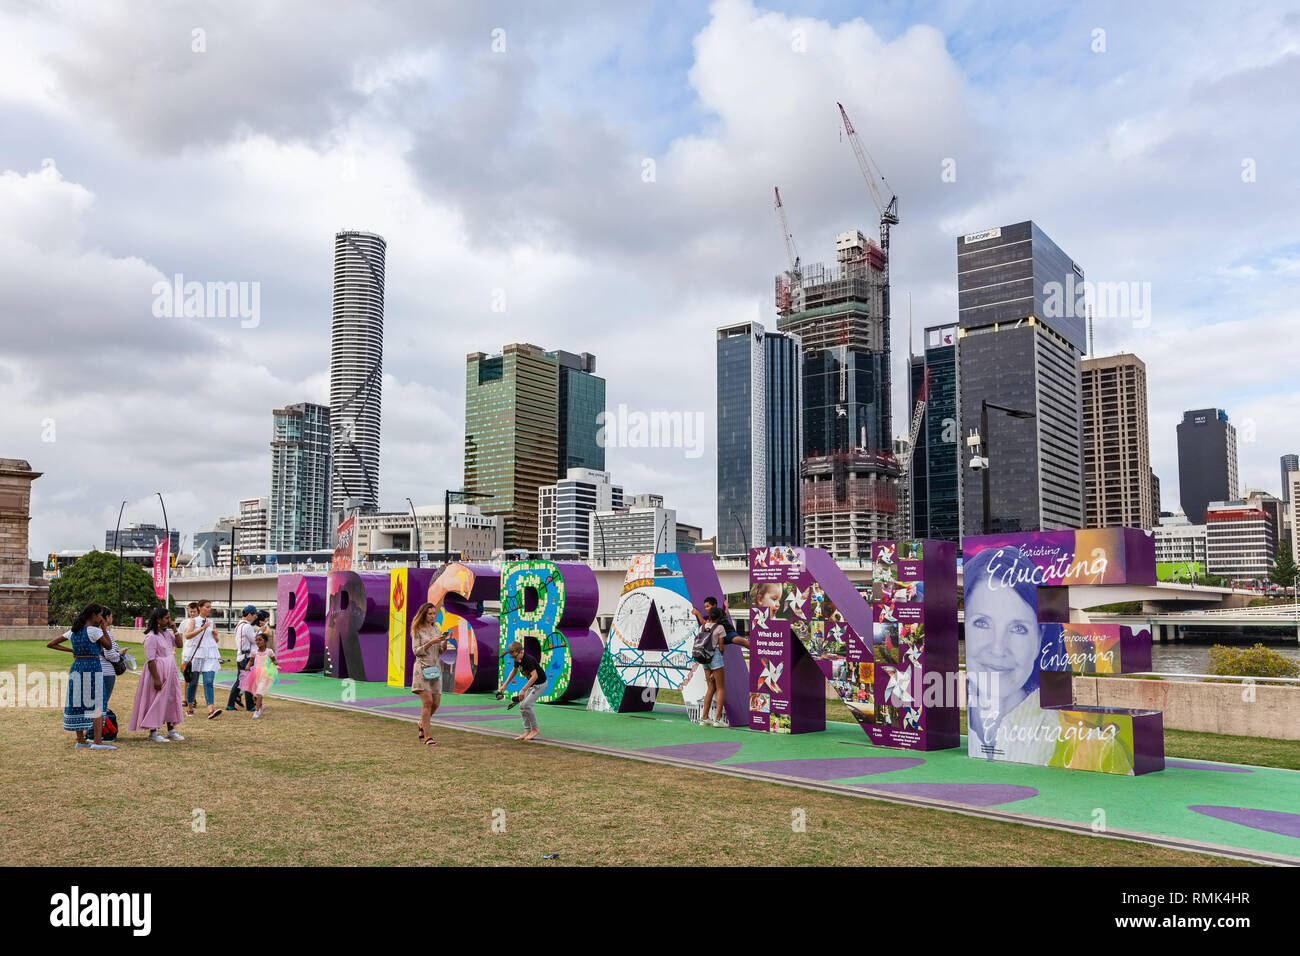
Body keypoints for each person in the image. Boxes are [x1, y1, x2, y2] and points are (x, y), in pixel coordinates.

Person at [962, 545, 1058, 764]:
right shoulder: (941, 718)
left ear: (1039, 640)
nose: (998, 648)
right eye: (982, 623)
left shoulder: (1086, 745)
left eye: (1018, 628)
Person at [46, 603, 115, 749]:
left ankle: (80, 740)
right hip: (92, 666)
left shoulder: (73, 631)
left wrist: (72, 651)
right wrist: (103, 628)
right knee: (97, 702)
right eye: (100, 615)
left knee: (78, 701)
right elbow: (108, 646)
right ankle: (97, 741)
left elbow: (51, 644)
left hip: (77, 667)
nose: (101, 618)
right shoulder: (94, 631)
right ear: (94, 615)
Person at [129, 607, 186, 742]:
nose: (169, 620)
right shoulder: (151, 637)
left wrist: (175, 630)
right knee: (155, 700)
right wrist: (156, 678)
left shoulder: (166, 634)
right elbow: (150, 659)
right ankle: (153, 731)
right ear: (158, 619)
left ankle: (171, 729)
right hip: (157, 672)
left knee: (171, 699)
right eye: (166, 618)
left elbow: (179, 644)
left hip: (170, 672)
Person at [409, 602, 449, 746]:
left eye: (434, 614)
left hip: (435, 670)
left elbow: (440, 651)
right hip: (422, 669)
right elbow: (416, 651)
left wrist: (444, 643)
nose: (432, 616)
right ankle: (427, 736)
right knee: (428, 702)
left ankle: (421, 723)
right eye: (430, 614)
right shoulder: (417, 630)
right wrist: (430, 643)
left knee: (436, 703)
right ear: (424, 614)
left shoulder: (436, 629)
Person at [181, 599, 223, 719]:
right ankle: (190, 707)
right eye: (207, 607)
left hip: (209, 654)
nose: (209, 609)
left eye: (210, 607)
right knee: (193, 682)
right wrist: (201, 628)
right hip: (196, 654)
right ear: (200, 608)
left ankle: (210, 709)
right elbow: (187, 635)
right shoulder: (194, 621)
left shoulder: (211, 622)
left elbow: (215, 640)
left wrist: (215, 636)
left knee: (208, 681)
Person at [497, 641, 547, 741]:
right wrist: (504, 685)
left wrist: (523, 690)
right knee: (521, 706)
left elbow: (535, 676)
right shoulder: (518, 659)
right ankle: (527, 731)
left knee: (527, 705)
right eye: (512, 658)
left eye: (515, 657)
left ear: (521, 652)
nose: (514, 659)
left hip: (540, 685)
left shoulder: (528, 660)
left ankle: (535, 729)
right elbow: (514, 671)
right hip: (533, 685)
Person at [696, 607, 729, 727]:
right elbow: (721, 647)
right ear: (719, 617)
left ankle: (704, 717)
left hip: (704, 657)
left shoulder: (702, 627)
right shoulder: (720, 628)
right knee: (720, 688)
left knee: (710, 688)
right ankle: (717, 719)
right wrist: (722, 653)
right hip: (715, 656)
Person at [226, 605, 259, 712]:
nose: (255, 617)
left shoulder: (239, 625)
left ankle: (230, 704)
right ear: (249, 614)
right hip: (247, 657)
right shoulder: (247, 626)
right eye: (254, 615)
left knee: (239, 681)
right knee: (248, 681)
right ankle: (250, 706)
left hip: (241, 656)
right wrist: (259, 631)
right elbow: (255, 640)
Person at [240, 630, 277, 718]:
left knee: (260, 692)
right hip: (255, 674)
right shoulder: (254, 652)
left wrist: (275, 663)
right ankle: (261, 706)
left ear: (265, 641)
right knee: (255, 696)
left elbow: (273, 660)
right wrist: (248, 666)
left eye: (260, 640)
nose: (258, 642)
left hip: (265, 674)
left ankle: (256, 711)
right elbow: (251, 661)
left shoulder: (269, 651)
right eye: (256, 640)